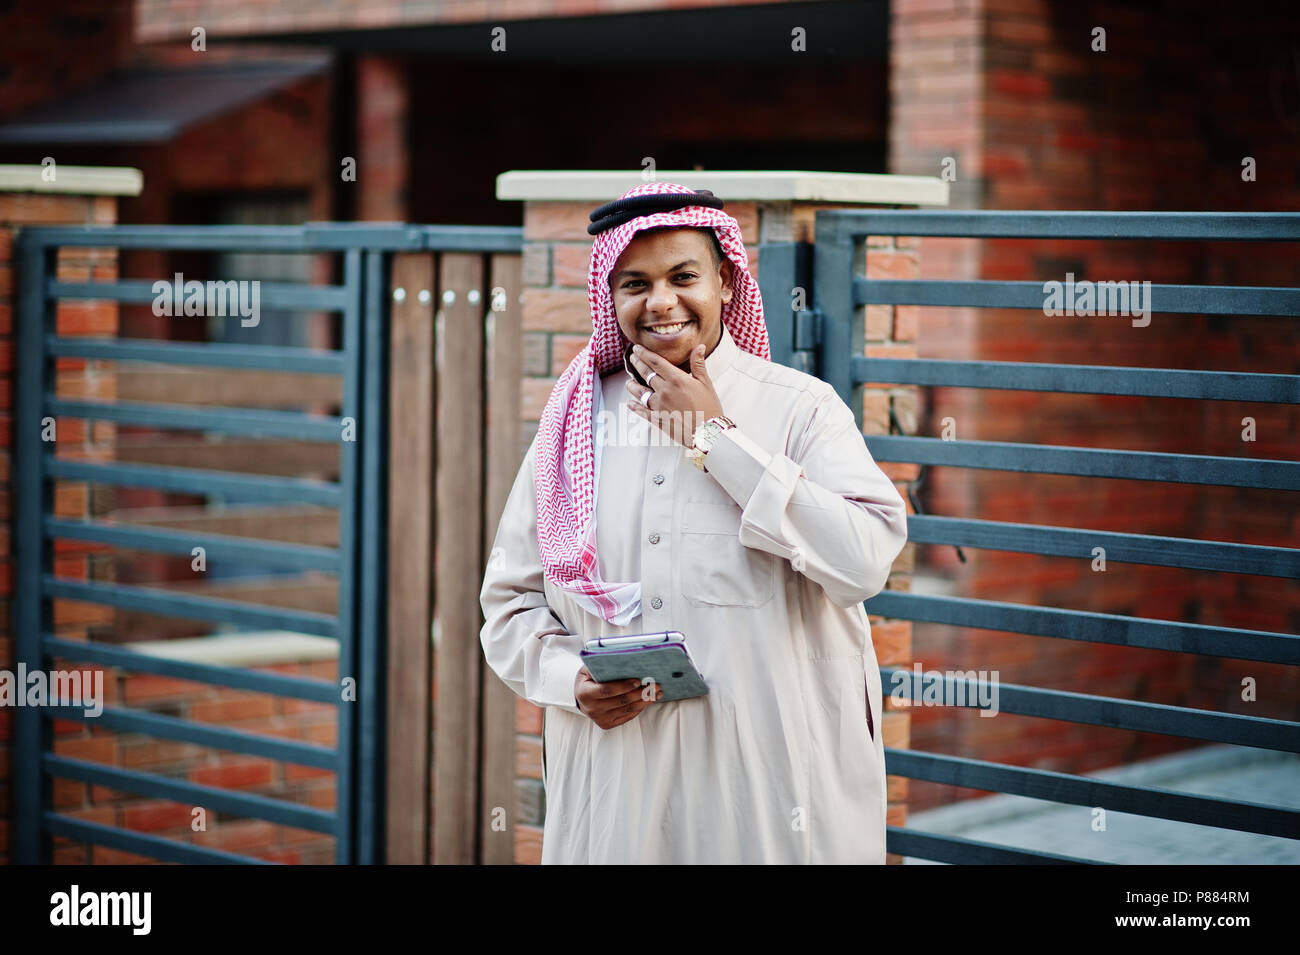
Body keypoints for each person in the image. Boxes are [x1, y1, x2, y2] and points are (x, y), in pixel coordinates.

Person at [479, 180, 909, 864]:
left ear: (727, 283)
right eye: (634, 283)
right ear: (610, 296)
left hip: (768, 808)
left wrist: (715, 439)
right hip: (619, 802)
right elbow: (508, 604)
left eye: (684, 276)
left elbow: (865, 561)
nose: (660, 302)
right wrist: (570, 679)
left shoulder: (800, 410)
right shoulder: (573, 426)